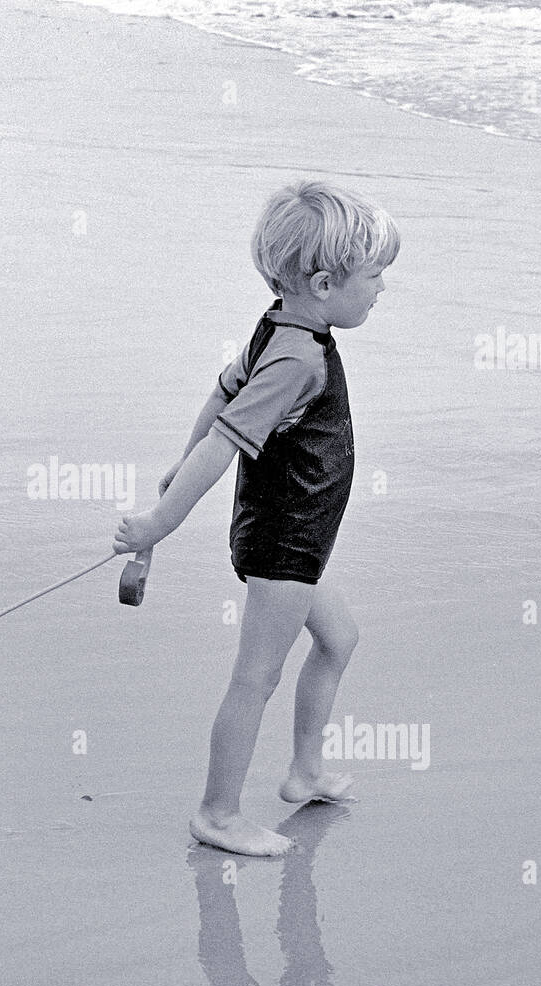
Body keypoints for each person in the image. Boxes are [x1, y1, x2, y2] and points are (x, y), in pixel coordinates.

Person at [114, 180, 400, 856]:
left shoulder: (283, 323)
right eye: (375, 274)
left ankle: (303, 773)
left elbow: (223, 389)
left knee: (340, 639)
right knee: (256, 676)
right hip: (284, 542)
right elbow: (225, 444)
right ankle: (217, 813)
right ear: (325, 282)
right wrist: (160, 520)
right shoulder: (299, 357)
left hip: (300, 539)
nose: (383, 287)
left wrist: (174, 468)